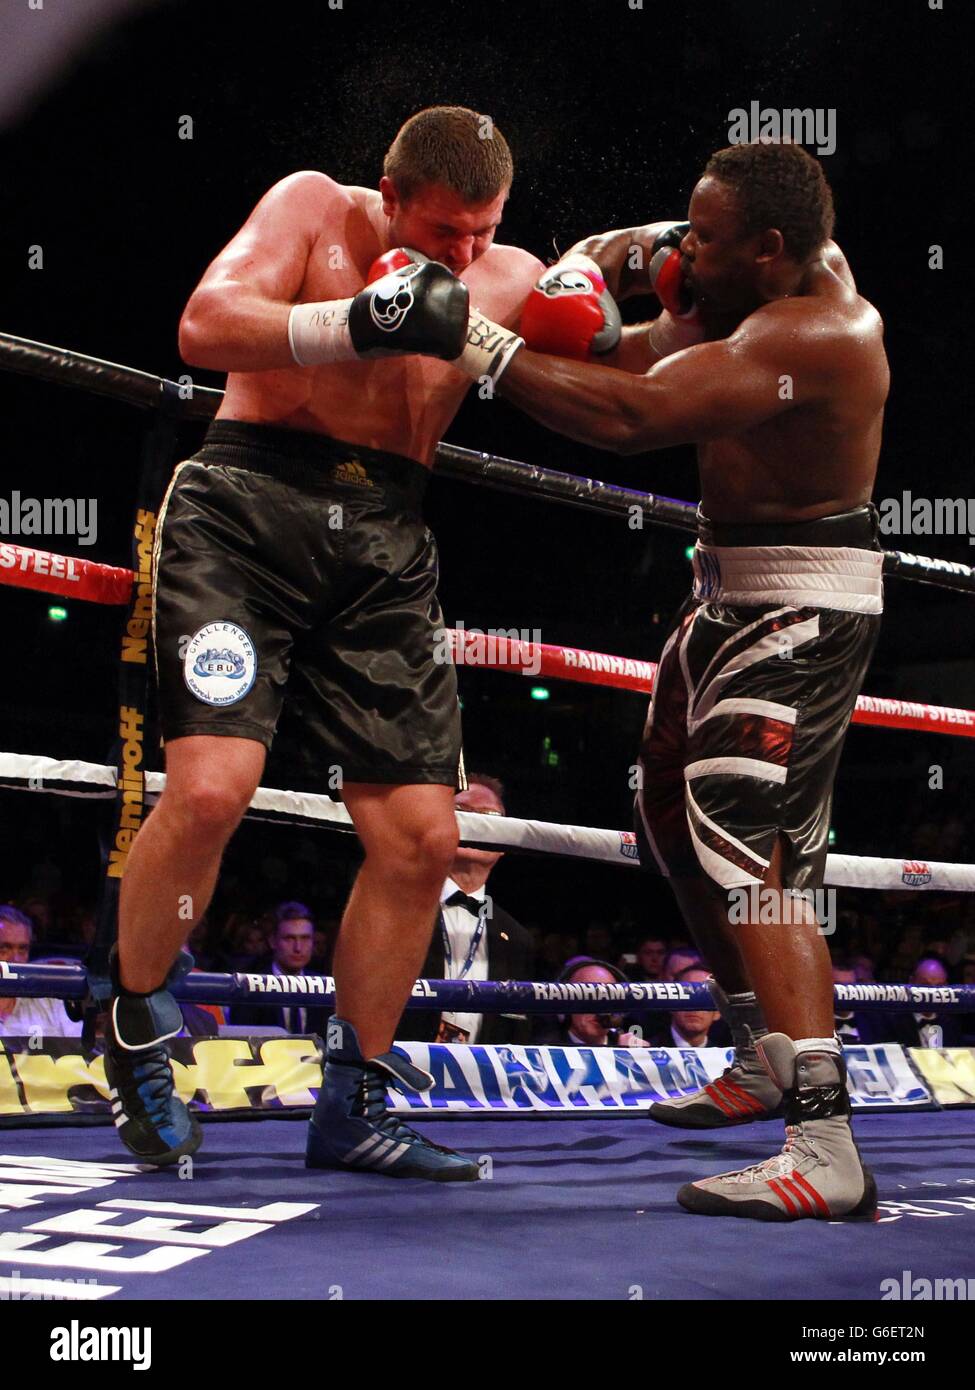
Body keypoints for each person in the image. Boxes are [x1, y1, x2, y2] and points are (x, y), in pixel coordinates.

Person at [429, 140, 889, 1219]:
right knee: (666, 811)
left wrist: (478, 342)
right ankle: (755, 1049)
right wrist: (581, 274)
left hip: (803, 599)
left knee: (745, 836)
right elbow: (621, 267)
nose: (686, 250)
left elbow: (633, 411)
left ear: (770, 252)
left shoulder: (815, 333)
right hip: (724, 586)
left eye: (709, 240)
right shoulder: (743, 266)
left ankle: (825, 1143)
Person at [105, 105, 544, 1180]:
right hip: (244, 507)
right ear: (389, 196)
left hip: (386, 540)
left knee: (422, 838)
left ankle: (353, 1101)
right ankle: (132, 1030)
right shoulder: (313, 207)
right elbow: (204, 326)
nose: (466, 255)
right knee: (211, 791)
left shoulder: (509, 272)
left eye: (484, 230)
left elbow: (613, 364)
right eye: (445, 232)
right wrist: (356, 317)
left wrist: (638, 269)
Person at [397, 774, 533, 1046]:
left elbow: (516, 1031)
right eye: (462, 812)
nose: (477, 824)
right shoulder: (395, 910)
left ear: (504, 844)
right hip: (400, 1076)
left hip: (481, 1082)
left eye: (490, 816)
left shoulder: (516, 938)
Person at [230, 901, 330, 1036]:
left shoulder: (325, 988)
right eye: (289, 938)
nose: (298, 948)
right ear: (272, 942)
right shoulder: (250, 988)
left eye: (305, 938)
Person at [0, 906, 83, 1039]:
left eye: (22, 949)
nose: (15, 959)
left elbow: (83, 1050)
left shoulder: (51, 1002)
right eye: (4, 948)